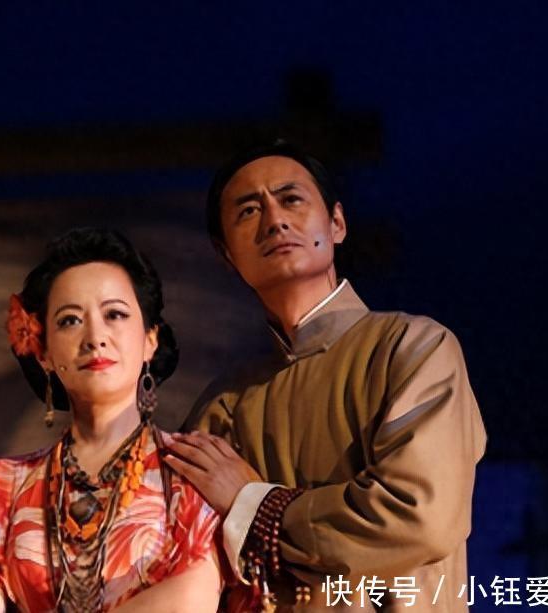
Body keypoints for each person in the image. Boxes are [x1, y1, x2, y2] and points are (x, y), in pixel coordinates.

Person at [164, 141, 488, 611]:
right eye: (249, 211)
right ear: (227, 254)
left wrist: (256, 506)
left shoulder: (411, 349)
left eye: (291, 199)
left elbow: (419, 517)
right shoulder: (224, 403)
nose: (275, 220)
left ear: (337, 223)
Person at [0, 228, 223, 612]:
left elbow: (191, 599)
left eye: (114, 314)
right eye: (70, 321)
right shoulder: (2, 489)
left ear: (150, 340)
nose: (95, 336)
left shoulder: (192, 472)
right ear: (43, 352)